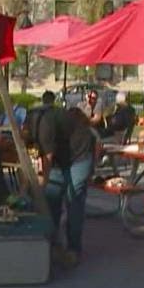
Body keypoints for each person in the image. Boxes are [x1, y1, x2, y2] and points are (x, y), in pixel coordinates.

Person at [45, 107, 98, 268]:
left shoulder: (53, 128)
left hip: (68, 161)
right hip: (77, 160)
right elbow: (97, 148)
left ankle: (56, 245)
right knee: (71, 201)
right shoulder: (87, 131)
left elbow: (48, 154)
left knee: (57, 200)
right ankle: (70, 248)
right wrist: (92, 169)